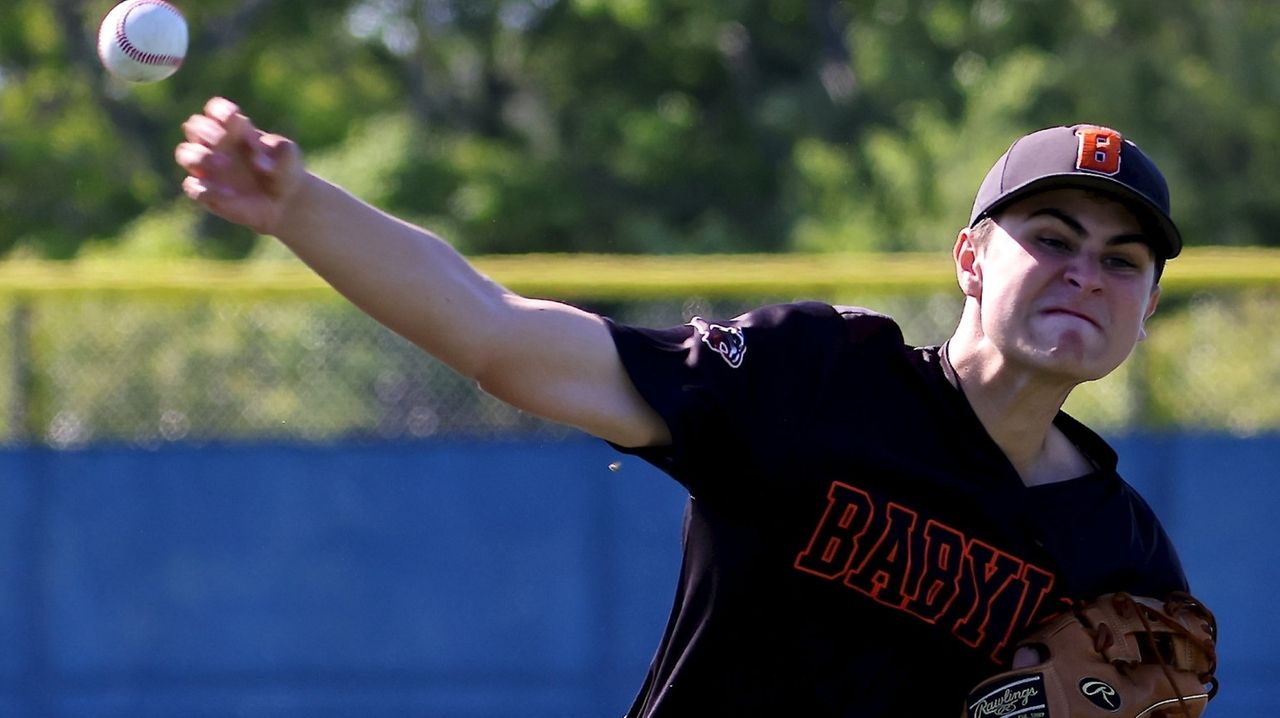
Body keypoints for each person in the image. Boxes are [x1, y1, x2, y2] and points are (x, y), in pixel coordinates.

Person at [175, 98, 1189, 716]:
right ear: (970, 258)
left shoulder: (1124, 557)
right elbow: (503, 339)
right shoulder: (817, 379)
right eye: (1050, 238)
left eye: (1119, 261)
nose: (1082, 275)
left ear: (1144, 307)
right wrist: (300, 209)